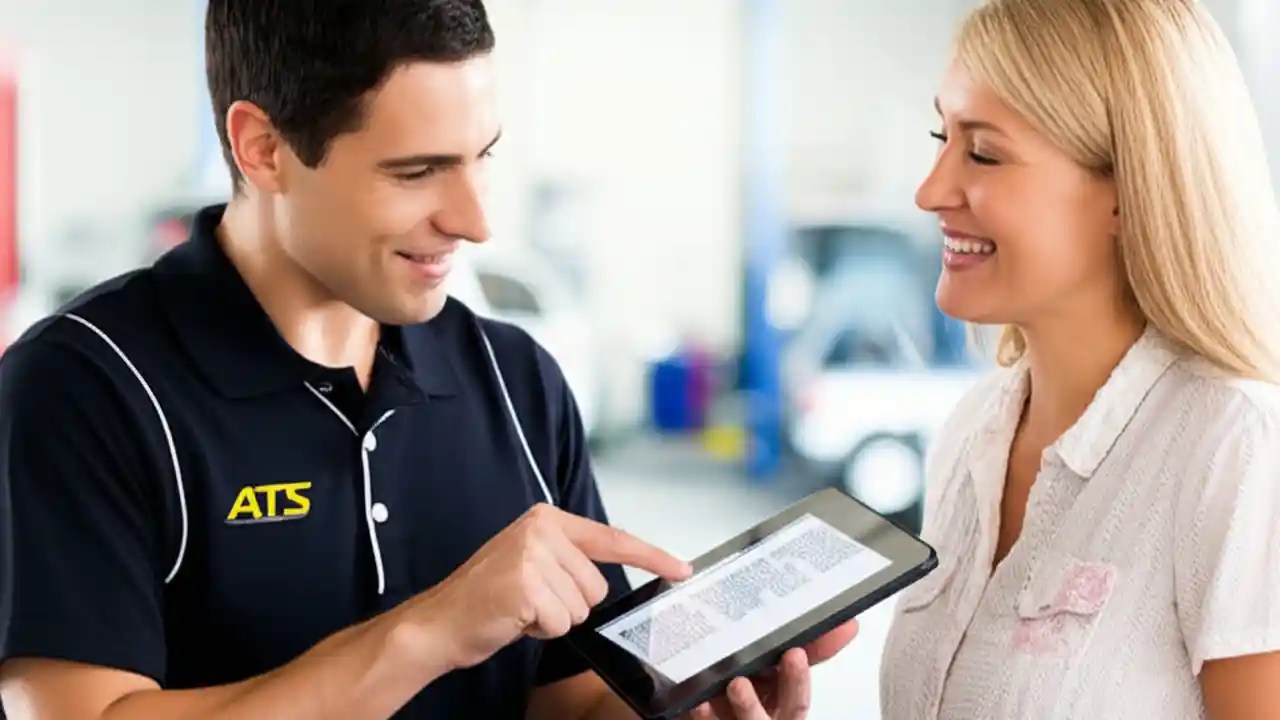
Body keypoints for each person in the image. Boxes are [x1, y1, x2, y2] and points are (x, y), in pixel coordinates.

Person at [0, 1, 857, 718]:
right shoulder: (82, 388)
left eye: (481, 157)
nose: (476, 220)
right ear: (263, 148)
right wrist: (428, 632)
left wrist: (685, 700)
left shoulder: (519, 381)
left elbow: (564, 698)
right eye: (418, 171)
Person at [879, 0, 1280, 718]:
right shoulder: (971, 433)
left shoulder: (1239, 451)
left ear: (1130, 191)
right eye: (942, 135)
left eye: (982, 152)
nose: (930, 190)